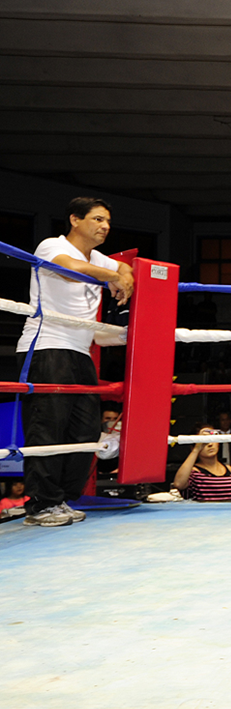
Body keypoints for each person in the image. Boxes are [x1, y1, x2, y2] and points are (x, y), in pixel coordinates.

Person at [16, 197, 135, 527]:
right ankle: (40, 504)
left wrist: (122, 274)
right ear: (75, 220)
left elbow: (125, 268)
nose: (104, 226)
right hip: (47, 346)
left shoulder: (97, 258)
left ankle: (63, 498)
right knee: (47, 428)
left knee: (84, 432)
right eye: (97, 219)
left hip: (80, 353)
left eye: (107, 222)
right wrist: (112, 275)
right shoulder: (51, 246)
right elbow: (71, 270)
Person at [173, 427, 231, 501]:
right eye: (204, 442)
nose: (210, 444)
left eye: (212, 440)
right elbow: (179, 484)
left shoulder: (229, 469)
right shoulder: (193, 472)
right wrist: (196, 449)